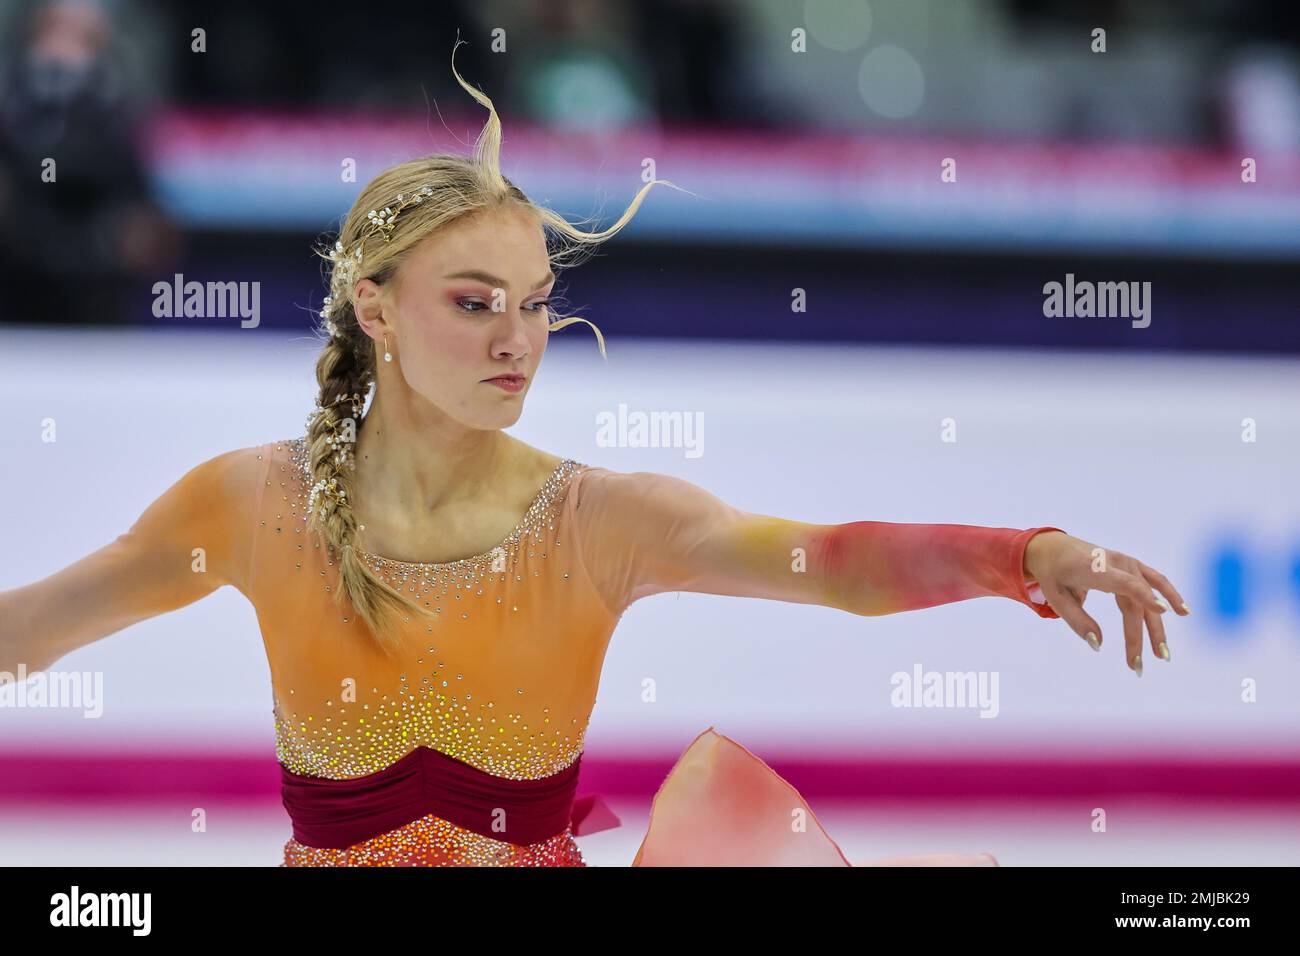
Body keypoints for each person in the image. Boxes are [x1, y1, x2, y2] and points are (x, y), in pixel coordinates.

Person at [0, 44, 1189, 867]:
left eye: (534, 303)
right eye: (473, 303)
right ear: (373, 309)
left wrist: (1023, 552)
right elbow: (30, 629)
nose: (518, 338)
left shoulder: (597, 522)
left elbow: (831, 563)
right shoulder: (252, 503)